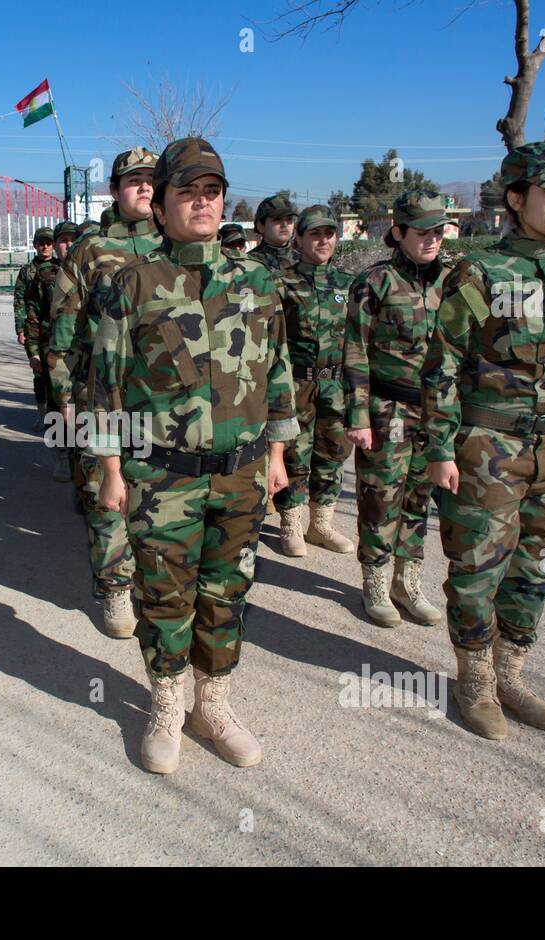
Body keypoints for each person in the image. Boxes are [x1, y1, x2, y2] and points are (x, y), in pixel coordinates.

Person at [89, 137, 297, 774]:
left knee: (227, 592)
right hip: (162, 476)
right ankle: (166, 703)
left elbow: (278, 371)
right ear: (161, 205)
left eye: (212, 192)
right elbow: (106, 383)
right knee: (165, 595)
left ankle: (215, 703)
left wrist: (280, 454)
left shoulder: (258, 281)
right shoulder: (131, 283)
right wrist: (109, 470)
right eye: (187, 191)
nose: (201, 203)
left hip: (240, 471)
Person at [422, 142, 545, 741]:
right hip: (488, 446)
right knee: (478, 564)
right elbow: (442, 362)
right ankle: (473, 681)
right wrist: (441, 449)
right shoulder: (479, 272)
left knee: (535, 562)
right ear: (518, 198)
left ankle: (512, 674)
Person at [47, 148, 161, 640]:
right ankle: (115, 587)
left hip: (165, 400)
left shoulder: (175, 244)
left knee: (161, 497)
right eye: (132, 181)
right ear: (114, 190)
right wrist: (67, 401)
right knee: (106, 496)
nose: (144, 188)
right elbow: (65, 332)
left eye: (151, 180)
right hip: (105, 395)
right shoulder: (91, 250)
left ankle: (155, 582)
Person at [344, 190, 455, 629]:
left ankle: (406, 581)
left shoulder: (454, 283)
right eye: (422, 231)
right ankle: (374, 580)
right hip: (387, 408)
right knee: (380, 499)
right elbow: (354, 350)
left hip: (435, 413)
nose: (432, 239)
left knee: (419, 498)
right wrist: (358, 416)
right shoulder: (375, 282)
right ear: (398, 232)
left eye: (438, 231)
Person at [274, 205, 356, 557]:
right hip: (297, 384)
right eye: (315, 234)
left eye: (329, 233)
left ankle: (320, 525)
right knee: (295, 453)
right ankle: (290, 523)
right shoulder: (283, 283)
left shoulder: (348, 285)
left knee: (332, 453)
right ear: (300, 238)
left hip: (336, 385)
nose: (323, 240)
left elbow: (358, 341)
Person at [24, 220, 77, 481]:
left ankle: (83, 455)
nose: (68, 244)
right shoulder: (45, 274)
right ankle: (61, 455)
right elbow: (32, 314)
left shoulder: (92, 270)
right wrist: (33, 350)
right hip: (52, 349)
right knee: (57, 404)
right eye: (63, 240)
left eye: (72, 239)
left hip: (85, 349)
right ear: (55, 245)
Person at [15, 227, 55, 430]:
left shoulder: (61, 267)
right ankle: (42, 416)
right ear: (35, 245)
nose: (45, 247)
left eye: (48, 242)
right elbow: (19, 300)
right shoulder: (27, 271)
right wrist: (20, 328)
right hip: (34, 328)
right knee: (39, 373)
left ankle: (58, 417)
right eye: (41, 243)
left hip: (56, 330)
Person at [250, 194, 299, 274]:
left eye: (289, 219)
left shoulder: (303, 261)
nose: (285, 224)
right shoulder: (248, 262)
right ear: (260, 226)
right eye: (277, 219)